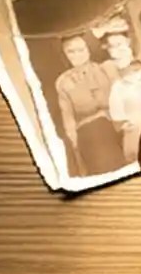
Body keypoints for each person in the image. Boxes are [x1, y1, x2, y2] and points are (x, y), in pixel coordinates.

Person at [52, 33, 122, 176]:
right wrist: (75, 147)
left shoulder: (106, 68)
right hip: (89, 133)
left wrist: (109, 116)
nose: (77, 55)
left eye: (81, 49)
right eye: (71, 51)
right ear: (64, 54)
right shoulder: (64, 82)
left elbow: (122, 99)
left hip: (116, 124)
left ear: (89, 49)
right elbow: (68, 118)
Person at [100, 20, 141, 163]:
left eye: (120, 43)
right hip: (131, 129)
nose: (118, 49)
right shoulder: (106, 70)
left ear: (128, 42)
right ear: (107, 49)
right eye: (112, 46)